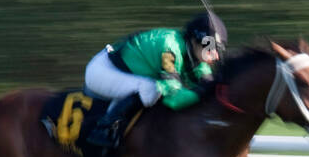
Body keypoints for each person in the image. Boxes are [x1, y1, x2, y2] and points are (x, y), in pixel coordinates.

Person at [82, 12, 227, 148]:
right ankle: (105, 128)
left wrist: (212, 87)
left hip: (126, 72)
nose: (216, 56)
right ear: (195, 40)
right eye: (211, 48)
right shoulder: (170, 49)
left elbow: (205, 81)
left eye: (218, 49)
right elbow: (174, 98)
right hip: (102, 71)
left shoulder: (195, 53)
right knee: (152, 89)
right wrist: (202, 92)